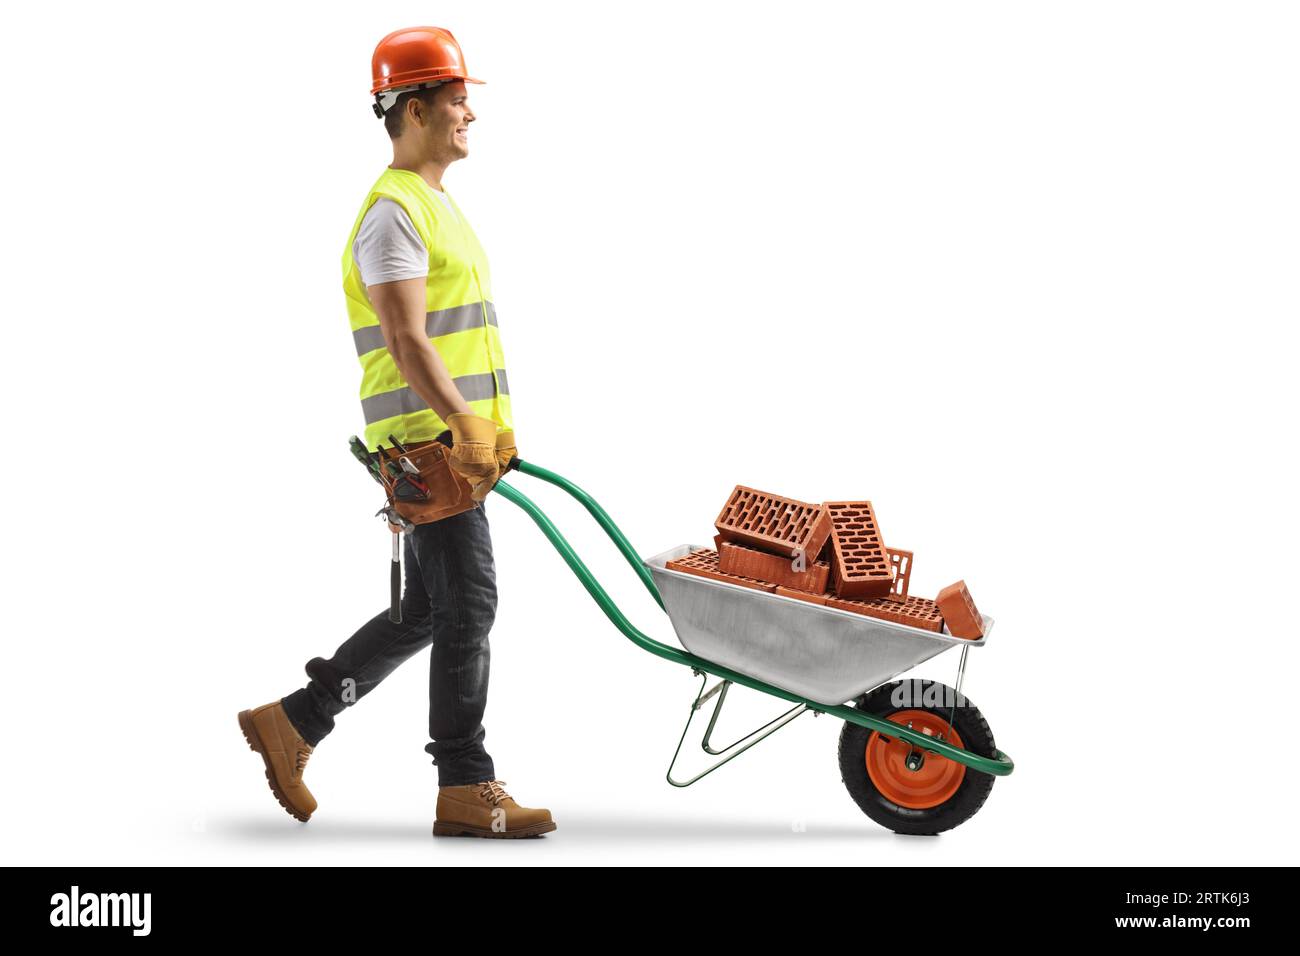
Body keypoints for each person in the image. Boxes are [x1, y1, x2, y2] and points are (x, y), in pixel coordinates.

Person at [237, 26, 555, 839]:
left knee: (428, 609)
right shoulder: (393, 215)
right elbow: (407, 339)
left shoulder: (435, 204)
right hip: (428, 448)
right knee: (470, 606)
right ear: (414, 108)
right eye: (456, 100)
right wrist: (461, 423)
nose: (470, 115)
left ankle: (295, 722)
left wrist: (484, 428)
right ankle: (464, 783)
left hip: (452, 446)